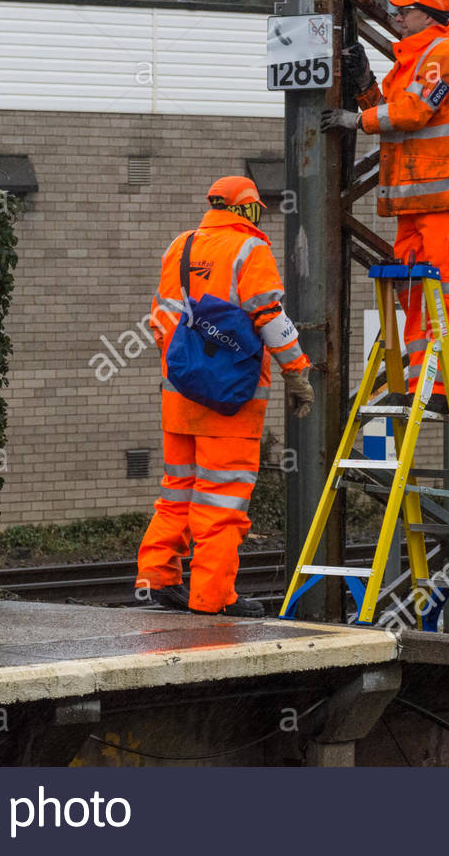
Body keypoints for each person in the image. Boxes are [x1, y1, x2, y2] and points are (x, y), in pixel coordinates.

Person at [135, 176, 314, 617]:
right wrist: (296, 371)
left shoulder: (181, 246)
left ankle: (157, 579)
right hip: (231, 402)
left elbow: (159, 318)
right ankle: (212, 598)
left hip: (179, 395)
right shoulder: (250, 250)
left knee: (178, 489)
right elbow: (269, 316)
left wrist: (188, 372)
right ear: (247, 210)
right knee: (223, 498)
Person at [323, 0, 449, 405]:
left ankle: (447, 388)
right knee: (415, 292)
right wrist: (365, 88)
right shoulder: (411, 62)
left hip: (446, 201)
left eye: (404, 10)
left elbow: (414, 113)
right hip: (415, 201)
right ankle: (422, 382)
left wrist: (354, 120)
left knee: (445, 294)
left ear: (428, 15)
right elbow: (392, 113)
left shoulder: (444, 55)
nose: (396, 16)